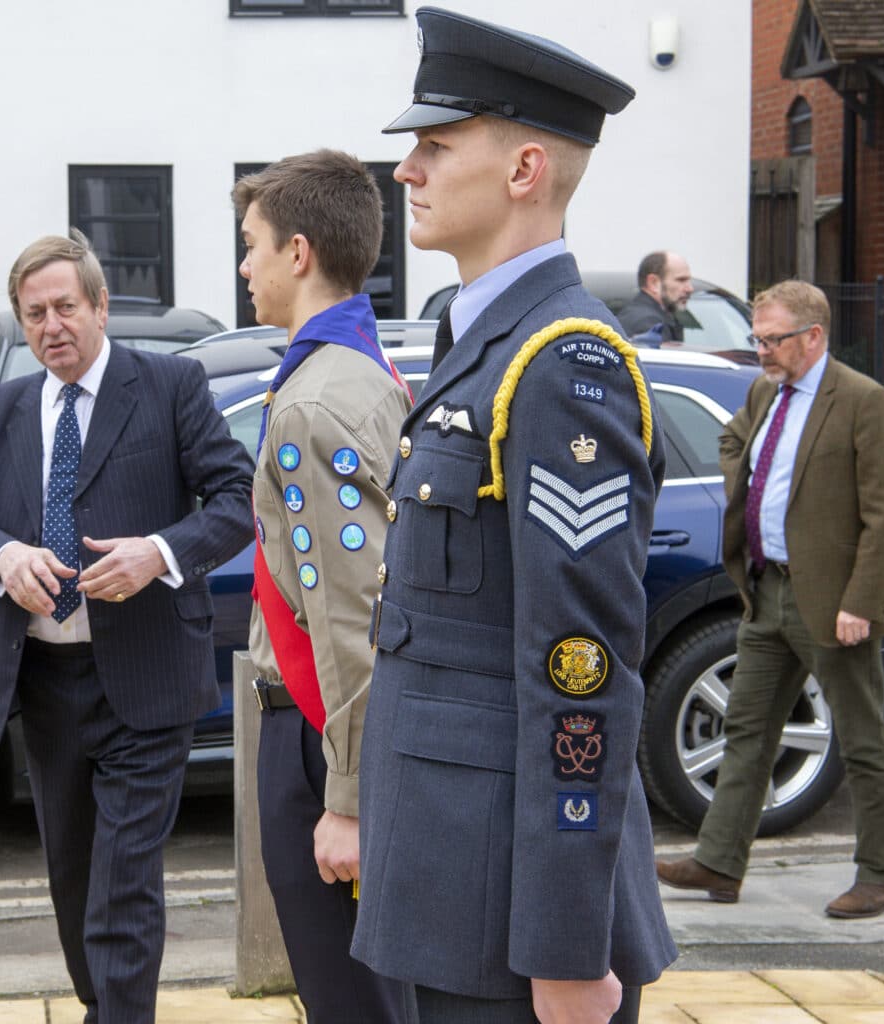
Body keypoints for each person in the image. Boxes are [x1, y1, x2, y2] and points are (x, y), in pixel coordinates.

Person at [349, 8, 677, 1023]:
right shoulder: (479, 343)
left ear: (525, 169)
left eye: (437, 146)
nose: (407, 170)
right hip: (447, 872)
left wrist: (566, 942)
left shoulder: (561, 362)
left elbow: (579, 665)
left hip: (512, 917)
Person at [0, 231, 253, 1024]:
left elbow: (238, 499)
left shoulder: (170, 385)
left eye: (66, 307)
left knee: (123, 885)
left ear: (101, 306)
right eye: (34, 313)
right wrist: (4, 557)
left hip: (145, 679)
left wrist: (160, 552)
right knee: (73, 877)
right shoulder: (3, 408)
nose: (52, 326)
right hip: (45, 683)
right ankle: (100, 1005)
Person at [234, 150, 412, 1024]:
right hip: (336, 733)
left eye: (252, 245)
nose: (245, 267)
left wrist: (346, 801)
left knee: (351, 998)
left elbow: (349, 619)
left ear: (298, 253)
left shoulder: (311, 404)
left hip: (316, 735)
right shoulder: (361, 369)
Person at [656, 280, 884, 919]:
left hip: (832, 602)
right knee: (747, 729)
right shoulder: (765, 392)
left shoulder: (864, 402)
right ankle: (718, 862)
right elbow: (734, 443)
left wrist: (861, 602)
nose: (760, 350)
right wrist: (747, 485)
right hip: (766, 592)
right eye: (756, 339)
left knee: (864, 738)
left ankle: (881, 872)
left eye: (772, 339)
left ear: (812, 337)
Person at [617, 250, 694, 344]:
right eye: (681, 280)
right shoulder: (649, 325)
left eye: (688, 280)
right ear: (653, 283)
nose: (690, 289)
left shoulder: (638, 315)